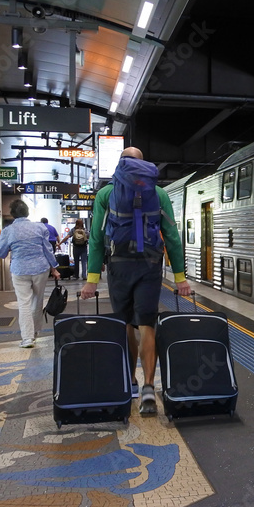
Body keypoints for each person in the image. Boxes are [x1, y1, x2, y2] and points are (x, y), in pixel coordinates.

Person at [81, 147, 191, 415]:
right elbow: (172, 238)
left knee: (125, 324)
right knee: (147, 323)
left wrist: (92, 279)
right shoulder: (159, 193)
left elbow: (96, 239)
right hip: (150, 266)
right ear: (145, 165)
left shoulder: (106, 194)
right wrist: (180, 278)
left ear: (120, 165)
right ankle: (149, 387)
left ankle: (130, 382)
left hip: (118, 266)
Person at [0, 199, 60, 348]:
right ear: (28, 212)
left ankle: (27, 338)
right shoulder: (40, 228)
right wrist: (54, 268)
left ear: (12, 214)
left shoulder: (8, 231)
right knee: (37, 302)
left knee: (23, 304)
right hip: (40, 268)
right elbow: (47, 250)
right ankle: (36, 332)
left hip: (19, 270)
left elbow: (1, 253)